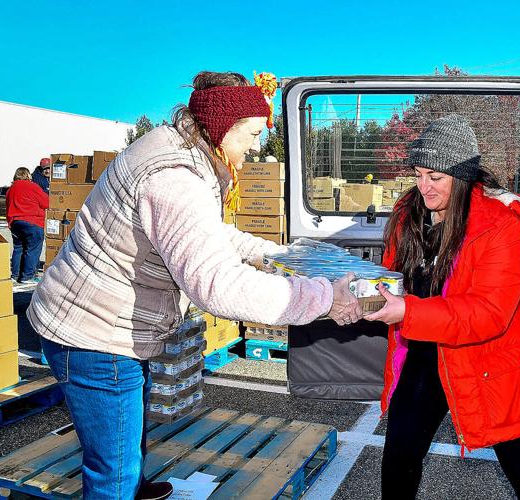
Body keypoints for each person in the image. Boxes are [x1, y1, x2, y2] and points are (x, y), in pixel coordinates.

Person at [27, 71, 362, 500]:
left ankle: (132, 484)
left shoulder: (182, 151)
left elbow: (206, 234)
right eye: (253, 133)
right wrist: (324, 299)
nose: (257, 145)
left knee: (125, 434)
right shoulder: (175, 178)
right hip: (94, 333)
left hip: (112, 323)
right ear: (224, 127)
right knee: (111, 470)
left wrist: (273, 254)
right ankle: (122, 487)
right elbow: (217, 285)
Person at [365, 115, 520, 499]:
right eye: (418, 175)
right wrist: (368, 291)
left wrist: (407, 312)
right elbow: (395, 274)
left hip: (491, 361)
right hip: (424, 353)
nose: (424, 187)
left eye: (435, 177)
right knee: (399, 456)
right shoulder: (409, 214)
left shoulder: (498, 225)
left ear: (463, 176)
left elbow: (488, 313)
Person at [6, 167, 48, 283]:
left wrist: (10, 222)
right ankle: (28, 276)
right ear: (28, 175)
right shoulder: (33, 186)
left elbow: (8, 206)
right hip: (32, 221)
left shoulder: (10, 189)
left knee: (18, 248)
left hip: (15, 222)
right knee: (32, 249)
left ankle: (15, 275)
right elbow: (46, 202)